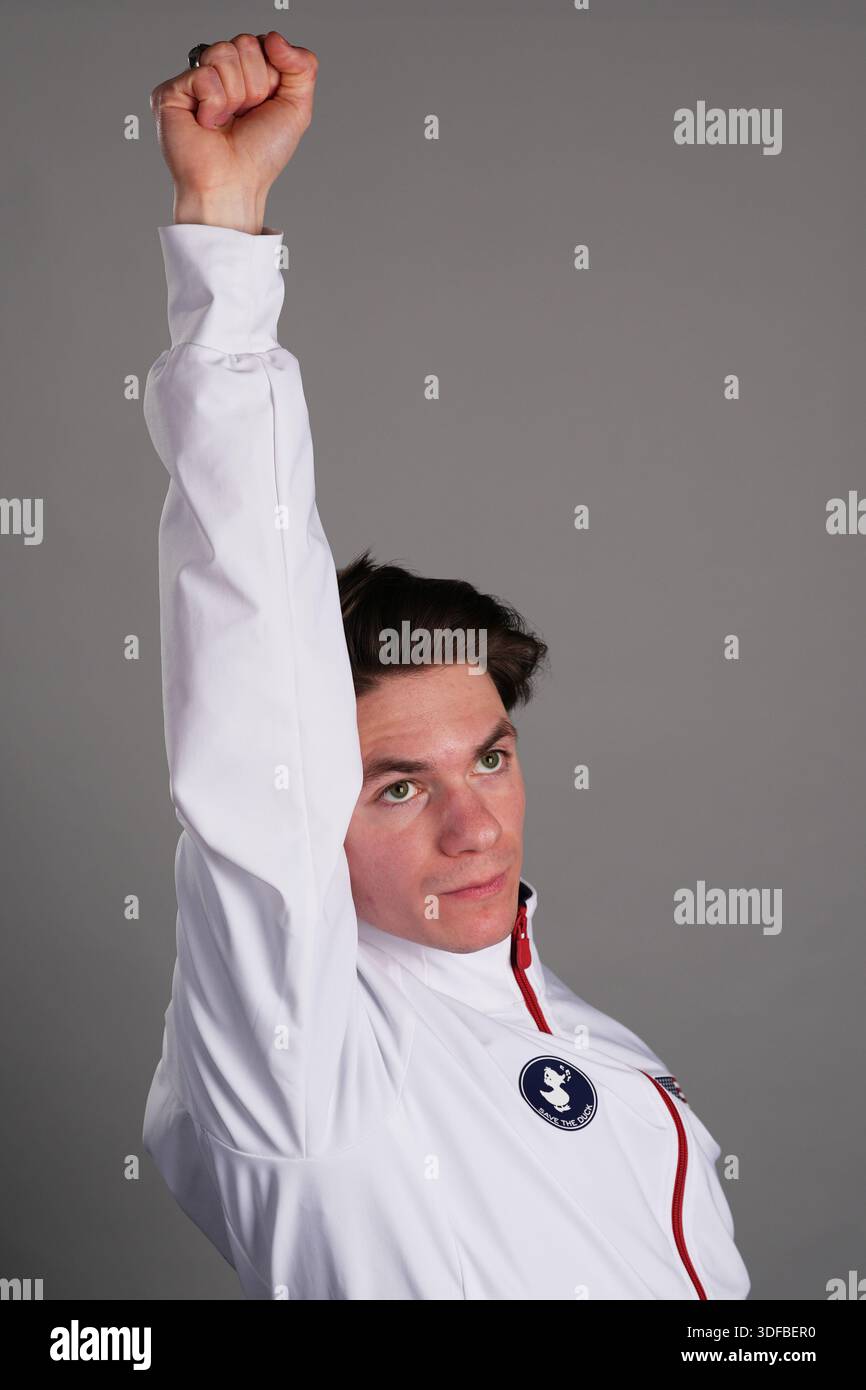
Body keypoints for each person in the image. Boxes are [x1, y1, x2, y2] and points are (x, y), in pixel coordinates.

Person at [142, 30, 751, 1301]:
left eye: (489, 757)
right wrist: (223, 230)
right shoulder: (307, 1072)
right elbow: (251, 629)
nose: (474, 829)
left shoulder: (617, 1070)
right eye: (396, 786)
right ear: (312, 807)